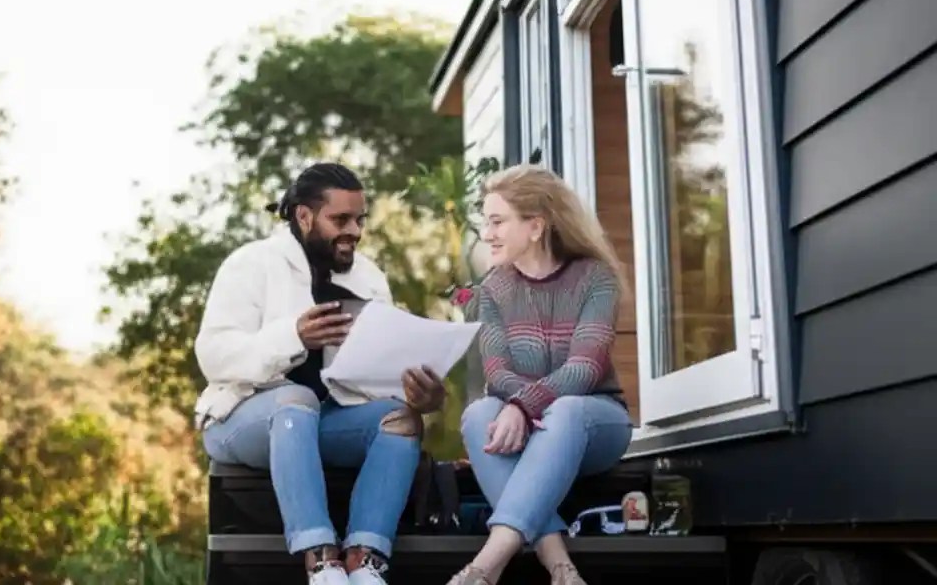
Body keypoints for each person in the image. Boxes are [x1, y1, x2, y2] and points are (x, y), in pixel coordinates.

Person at [194, 162, 447, 585]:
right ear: (304, 216)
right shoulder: (250, 264)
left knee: (401, 420)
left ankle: (365, 560)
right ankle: (321, 559)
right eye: (340, 220)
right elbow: (215, 357)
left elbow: (374, 378)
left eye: (360, 219)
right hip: (241, 421)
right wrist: (293, 336)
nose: (355, 231)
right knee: (298, 400)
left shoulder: (369, 278)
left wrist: (419, 397)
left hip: (325, 423)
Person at [445, 164, 634, 585]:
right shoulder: (493, 289)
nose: (488, 233)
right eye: (486, 222)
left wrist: (521, 405)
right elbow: (497, 370)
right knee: (479, 415)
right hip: (527, 431)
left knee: (566, 409)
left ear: (535, 226)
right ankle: (559, 565)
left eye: (497, 222)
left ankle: (486, 565)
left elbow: (584, 370)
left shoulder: (595, 279)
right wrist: (515, 405)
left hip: (593, 425)